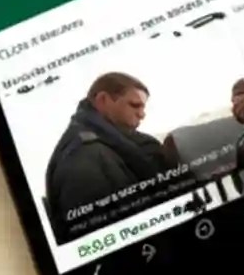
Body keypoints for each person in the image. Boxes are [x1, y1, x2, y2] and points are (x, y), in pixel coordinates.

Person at [45, 72, 171, 236]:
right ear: (103, 100)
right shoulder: (85, 157)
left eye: (143, 107)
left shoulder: (116, 145)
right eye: (134, 105)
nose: (142, 114)